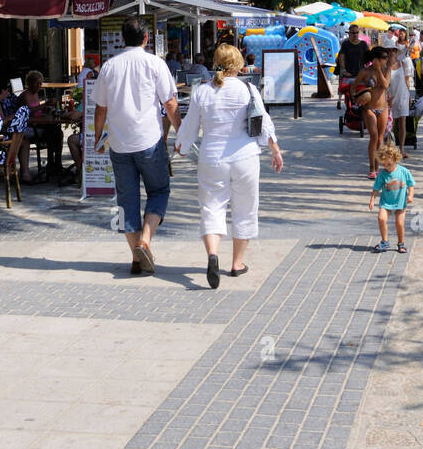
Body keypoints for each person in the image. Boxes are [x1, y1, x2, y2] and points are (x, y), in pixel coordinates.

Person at [175, 43, 282, 288]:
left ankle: (213, 254)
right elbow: (263, 122)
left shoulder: (202, 91)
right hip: (245, 156)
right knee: (245, 208)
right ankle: (237, 263)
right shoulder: (248, 89)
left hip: (211, 157)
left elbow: (190, 125)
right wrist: (275, 150)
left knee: (211, 206)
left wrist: (181, 144)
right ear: (239, 65)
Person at [93, 16, 180, 276]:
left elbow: (100, 108)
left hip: (119, 144)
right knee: (160, 190)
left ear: (121, 38)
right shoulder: (155, 63)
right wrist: (182, 132)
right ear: (146, 38)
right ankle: (145, 241)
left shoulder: (109, 67)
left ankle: (135, 257)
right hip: (150, 142)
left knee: (126, 202)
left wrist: (98, 138)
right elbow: (170, 104)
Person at [351, 45, 392, 179]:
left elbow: (385, 85)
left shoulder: (386, 70)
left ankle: (378, 166)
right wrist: (356, 98)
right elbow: (353, 87)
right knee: (373, 136)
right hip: (369, 108)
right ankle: (371, 168)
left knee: (380, 139)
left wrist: (379, 70)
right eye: (384, 58)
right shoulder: (365, 72)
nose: (386, 60)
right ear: (376, 59)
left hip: (383, 108)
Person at [369, 142, 415, 254]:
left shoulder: (404, 172)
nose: (386, 167)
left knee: (399, 223)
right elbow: (376, 188)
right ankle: (385, 241)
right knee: (381, 218)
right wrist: (372, 200)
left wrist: (410, 195)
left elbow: (411, 184)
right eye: (383, 165)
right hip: (386, 203)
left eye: (388, 164)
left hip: (400, 203)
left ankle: (401, 243)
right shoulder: (382, 174)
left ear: (395, 159)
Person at [389, 44, 415, 158]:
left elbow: (407, 81)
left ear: (395, 52)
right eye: (388, 51)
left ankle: (401, 149)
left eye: (393, 50)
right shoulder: (385, 66)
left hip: (403, 95)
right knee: (391, 124)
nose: (391, 53)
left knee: (402, 123)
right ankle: (391, 149)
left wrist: (409, 95)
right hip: (391, 97)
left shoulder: (402, 64)